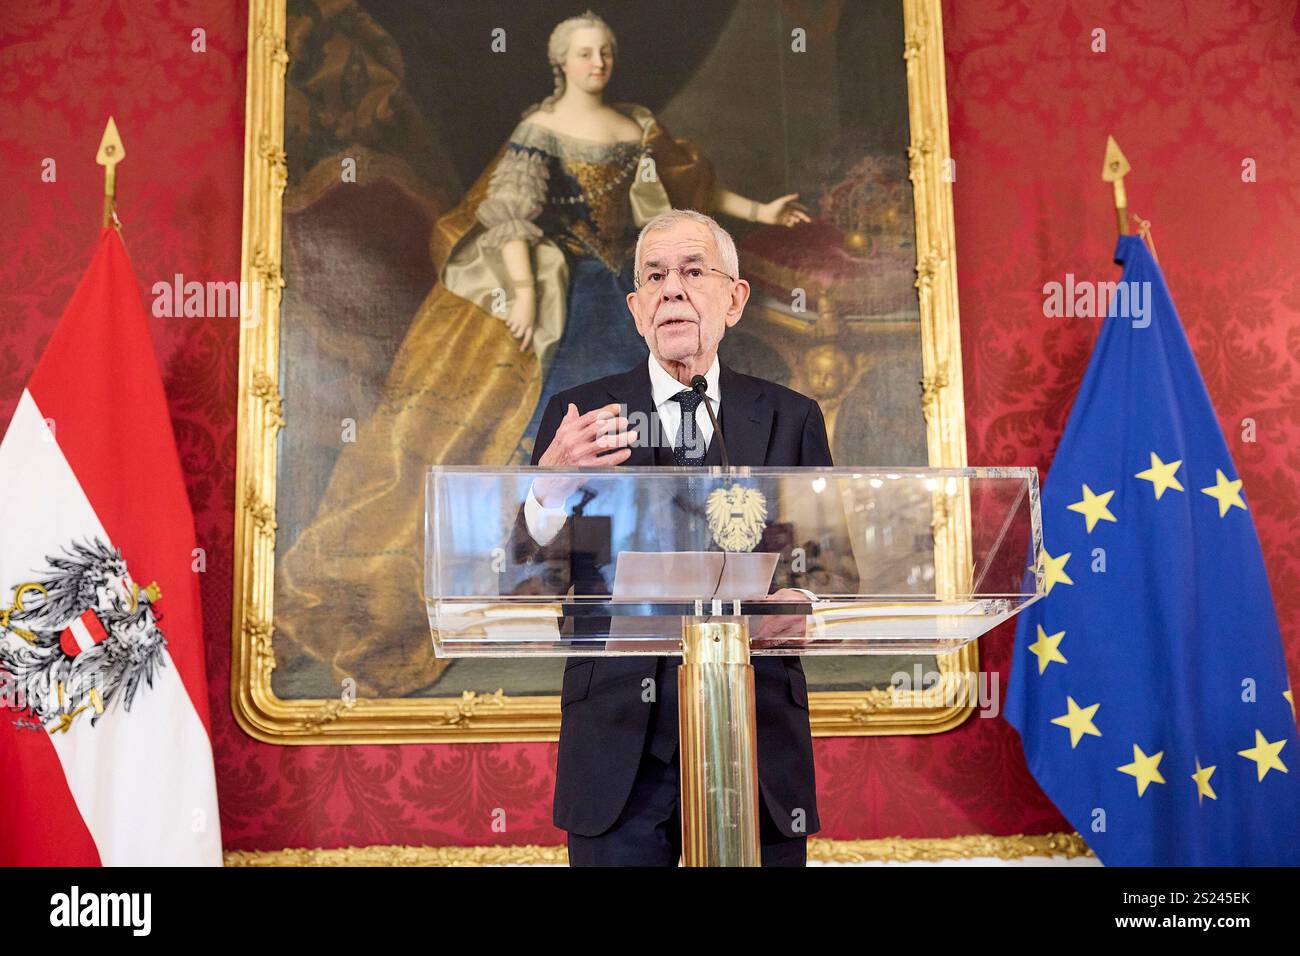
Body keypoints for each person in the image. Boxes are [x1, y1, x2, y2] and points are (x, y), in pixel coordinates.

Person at [274, 11, 807, 695]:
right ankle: (544, 581)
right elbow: (512, 218)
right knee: (564, 423)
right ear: (562, 62)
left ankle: (656, 582)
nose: (599, 63)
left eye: (606, 51)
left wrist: (761, 213)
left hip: (630, 287)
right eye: (586, 53)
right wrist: (522, 297)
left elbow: (688, 197)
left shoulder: (636, 126)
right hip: (571, 286)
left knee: (662, 425)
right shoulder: (540, 130)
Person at [512, 209, 832, 866]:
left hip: (754, 726)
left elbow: (825, 563)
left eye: (692, 271)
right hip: (618, 737)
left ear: (734, 299)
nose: (672, 290)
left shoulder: (790, 418)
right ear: (635, 310)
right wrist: (547, 488)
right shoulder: (579, 417)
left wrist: (803, 602)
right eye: (654, 277)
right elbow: (525, 568)